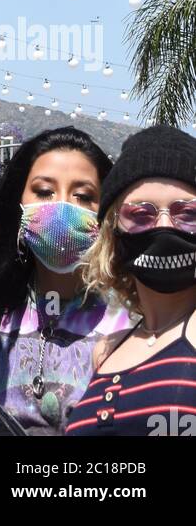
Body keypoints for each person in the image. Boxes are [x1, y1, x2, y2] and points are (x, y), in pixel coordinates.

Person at [0, 127, 132, 435]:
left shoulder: (130, 321)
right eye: (44, 191)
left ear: (106, 211)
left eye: (84, 195)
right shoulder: (7, 308)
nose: (62, 207)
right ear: (18, 202)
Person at [66, 126, 196, 437]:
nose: (164, 225)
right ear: (112, 233)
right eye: (141, 214)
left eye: (187, 213)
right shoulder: (107, 350)